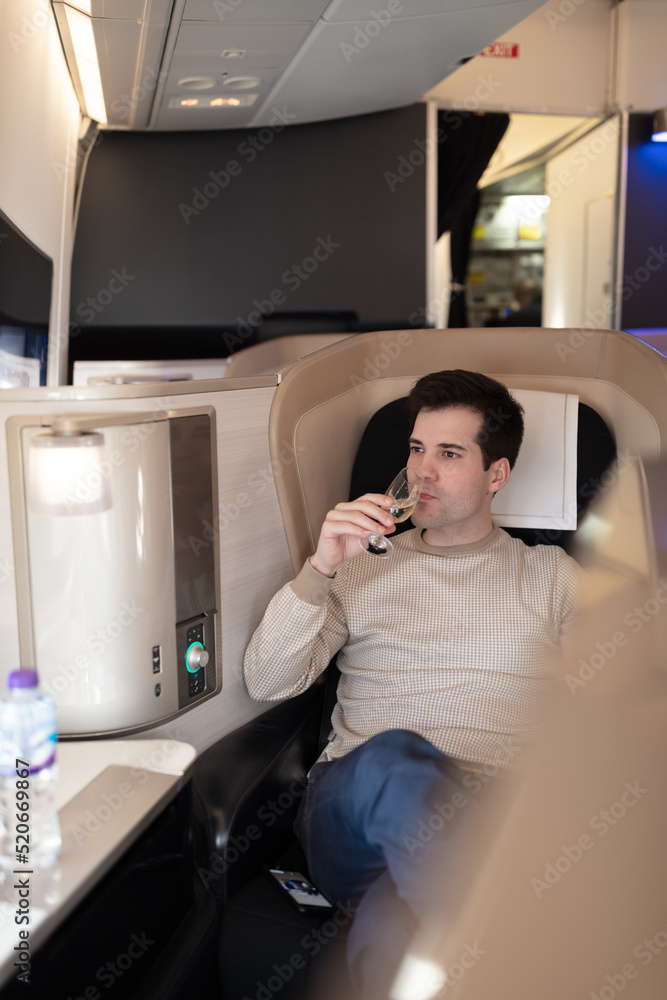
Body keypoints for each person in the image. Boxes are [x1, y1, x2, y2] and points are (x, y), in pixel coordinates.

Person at [244, 370, 580, 999]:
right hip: (356, 802)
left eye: (449, 454)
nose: (423, 471)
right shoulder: (358, 569)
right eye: (416, 449)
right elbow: (266, 681)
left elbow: (630, 687)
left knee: (391, 924)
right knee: (399, 762)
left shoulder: (552, 577)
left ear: (496, 475)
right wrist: (320, 567)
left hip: (490, 809)